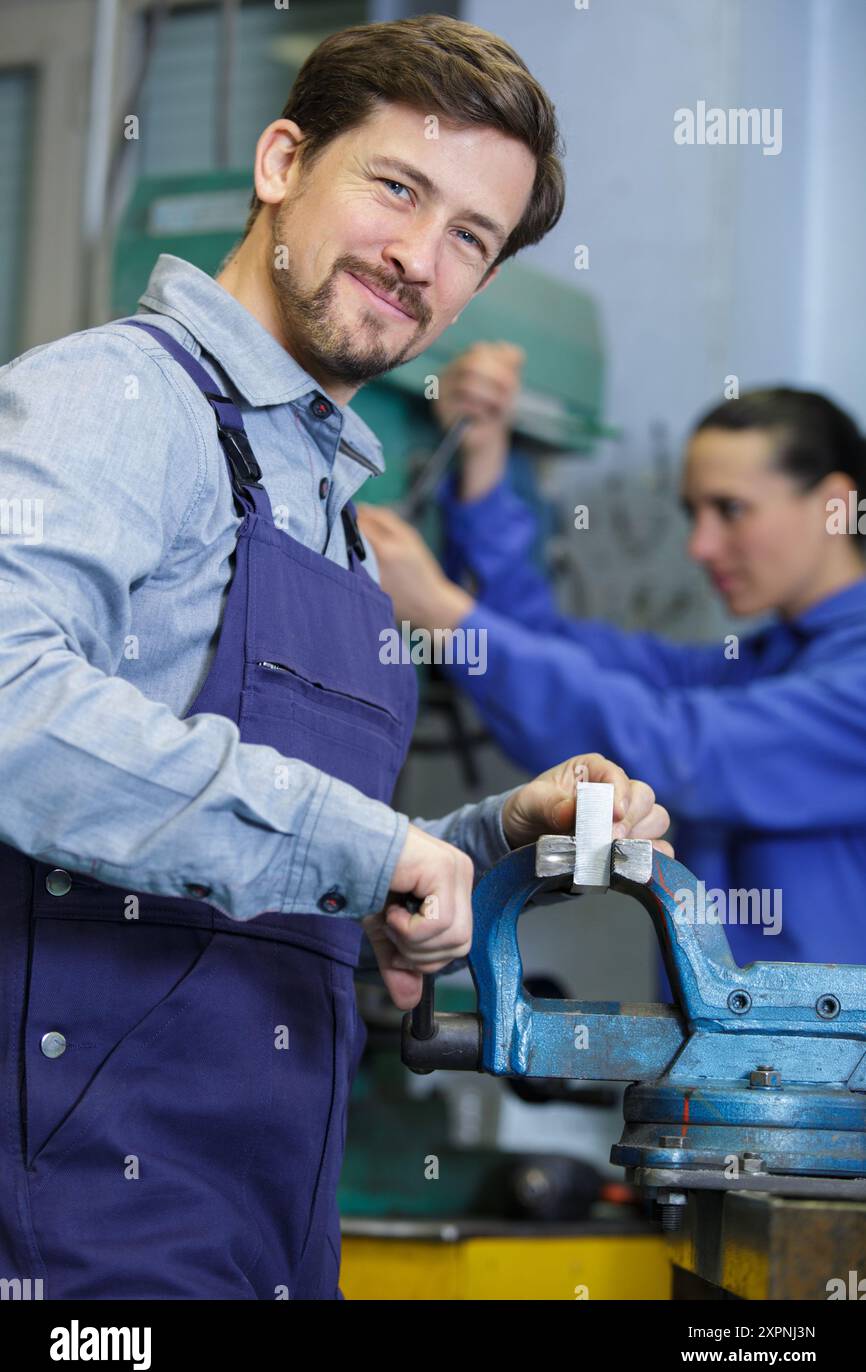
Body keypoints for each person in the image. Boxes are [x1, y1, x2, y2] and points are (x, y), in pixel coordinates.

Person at [0, 16, 670, 1301]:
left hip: (260, 1221)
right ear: (279, 161)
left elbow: (281, 857)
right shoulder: (116, 402)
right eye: (396, 188)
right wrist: (374, 849)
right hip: (74, 1227)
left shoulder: (335, 520)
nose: (419, 258)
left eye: (469, 236)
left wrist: (469, 843)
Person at [360, 350, 866, 973]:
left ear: (834, 505)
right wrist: (486, 460)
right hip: (724, 1061)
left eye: (730, 510)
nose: (700, 546)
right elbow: (545, 642)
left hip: (826, 1069)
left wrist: (444, 617)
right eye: (693, 513)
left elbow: (678, 747)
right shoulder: (762, 663)